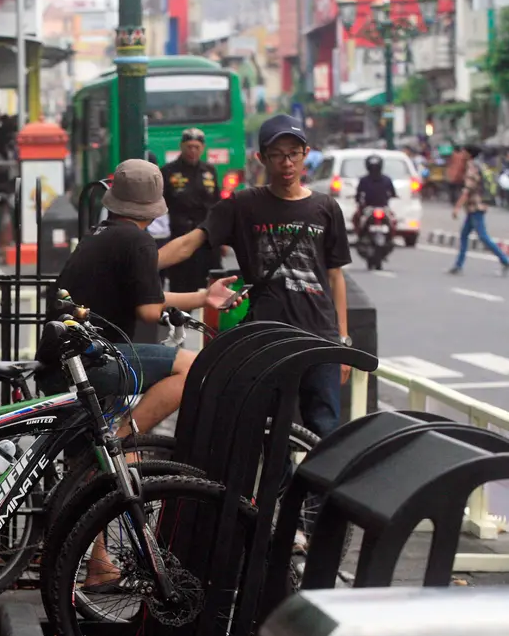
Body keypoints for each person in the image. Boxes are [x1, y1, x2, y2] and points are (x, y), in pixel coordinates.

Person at [158, 115, 353, 439]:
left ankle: (315, 493)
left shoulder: (326, 207)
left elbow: (335, 276)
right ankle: (276, 491)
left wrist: (343, 340)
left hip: (320, 336)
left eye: (293, 153)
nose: (286, 162)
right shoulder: (244, 205)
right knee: (271, 430)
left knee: (325, 432)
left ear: (305, 153)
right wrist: (140, 263)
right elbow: (190, 242)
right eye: (277, 154)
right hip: (267, 337)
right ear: (262, 158)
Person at [41, 159, 241, 440]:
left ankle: (112, 454)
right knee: (193, 367)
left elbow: (147, 283)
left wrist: (203, 295)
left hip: (64, 357)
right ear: (154, 206)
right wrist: (204, 298)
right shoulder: (137, 241)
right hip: (90, 361)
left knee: (89, 468)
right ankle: (120, 440)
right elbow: (149, 309)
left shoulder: (100, 234)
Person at [160, 128, 221, 292]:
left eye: (197, 146)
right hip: (180, 236)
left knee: (210, 286)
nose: (193, 150)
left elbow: (218, 204)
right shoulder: (168, 171)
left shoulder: (209, 171)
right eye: (189, 146)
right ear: (181, 146)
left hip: (206, 237)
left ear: (202, 148)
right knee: (181, 286)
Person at [448, 144, 509, 277]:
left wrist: (457, 207)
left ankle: (505, 260)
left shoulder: (472, 167)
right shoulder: (480, 165)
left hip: (476, 207)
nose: (462, 154)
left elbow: (467, 190)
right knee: (464, 235)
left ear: (469, 154)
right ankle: (458, 265)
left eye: (464, 151)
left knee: (483, 237)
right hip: (475, 206)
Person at [354, 154, 396, 233]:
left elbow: (358, 194)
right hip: (382, 207)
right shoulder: (387, 179)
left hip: (370, 208)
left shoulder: (364, 180)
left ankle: (359, 234)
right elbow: (393, 193)